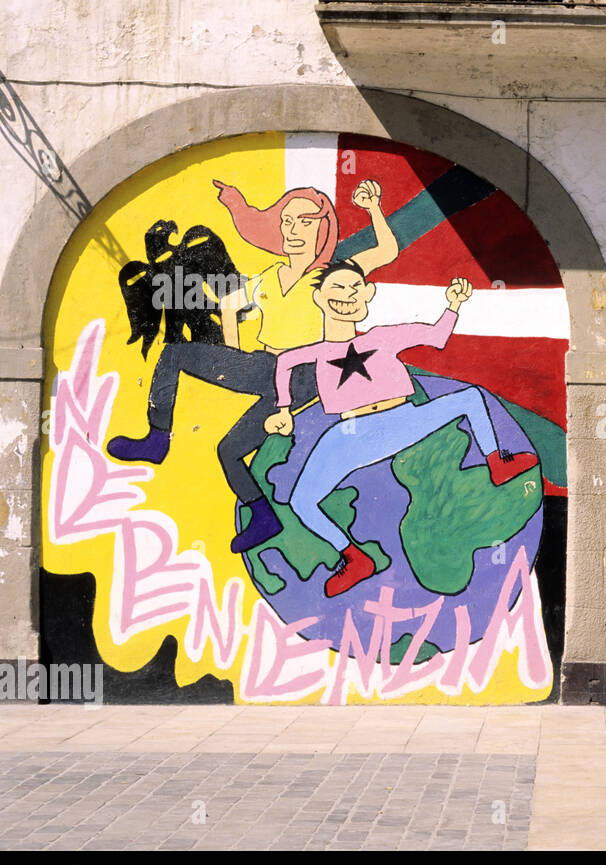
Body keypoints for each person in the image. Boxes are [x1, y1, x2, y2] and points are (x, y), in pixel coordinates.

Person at [107, 179, 398, 553]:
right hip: (268, 368)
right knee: (228, 450)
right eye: (287, 222)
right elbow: (230, 304)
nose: (294, 231)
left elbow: (386, 251)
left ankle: (157, 438)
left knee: (175, 354)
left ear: (323, 227)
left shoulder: (335, 273)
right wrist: (234, 353)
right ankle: (263, 515)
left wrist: (373, 207)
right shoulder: (271, 276)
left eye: (305, 222)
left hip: (304, 373)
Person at [264, 259, 538, 598]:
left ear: (367, 295)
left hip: (400, 420)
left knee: (469, 398)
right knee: (301, 501)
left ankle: (498, 462)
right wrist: (283, 408)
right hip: (348, 434)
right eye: (337, 287)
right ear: (319, 297)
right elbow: (283, 363)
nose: (347, 295)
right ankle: (353, 557)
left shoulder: (383, 336)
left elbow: (437, 336)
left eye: (354, 288)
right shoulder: (318, 352)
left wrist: (452, 305)